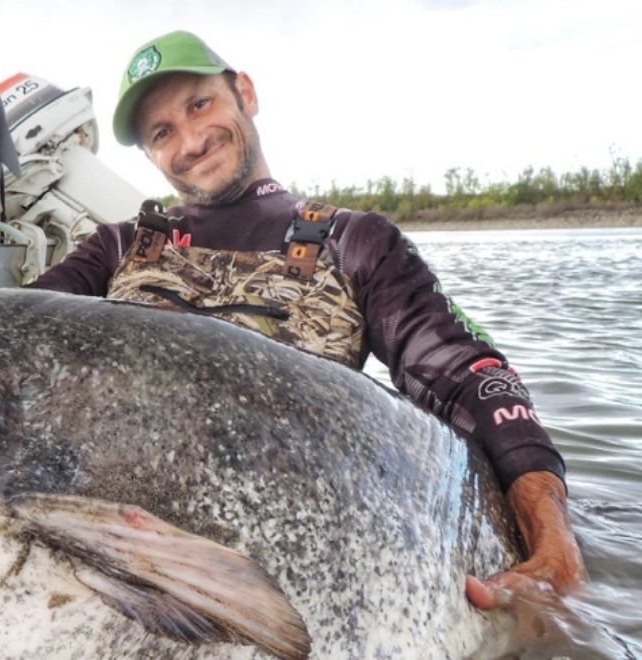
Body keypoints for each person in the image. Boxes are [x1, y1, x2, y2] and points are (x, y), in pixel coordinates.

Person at [28, 30, 585, 608]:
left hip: (284, 565)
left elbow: (468, 375)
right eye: (161, 132)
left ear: (245, 93)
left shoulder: (357, 242)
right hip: (111, 551)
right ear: (149, 154)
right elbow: (11, 341)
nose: (190, 141)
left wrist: (551, 536)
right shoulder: (116, 248)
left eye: (200, 104)